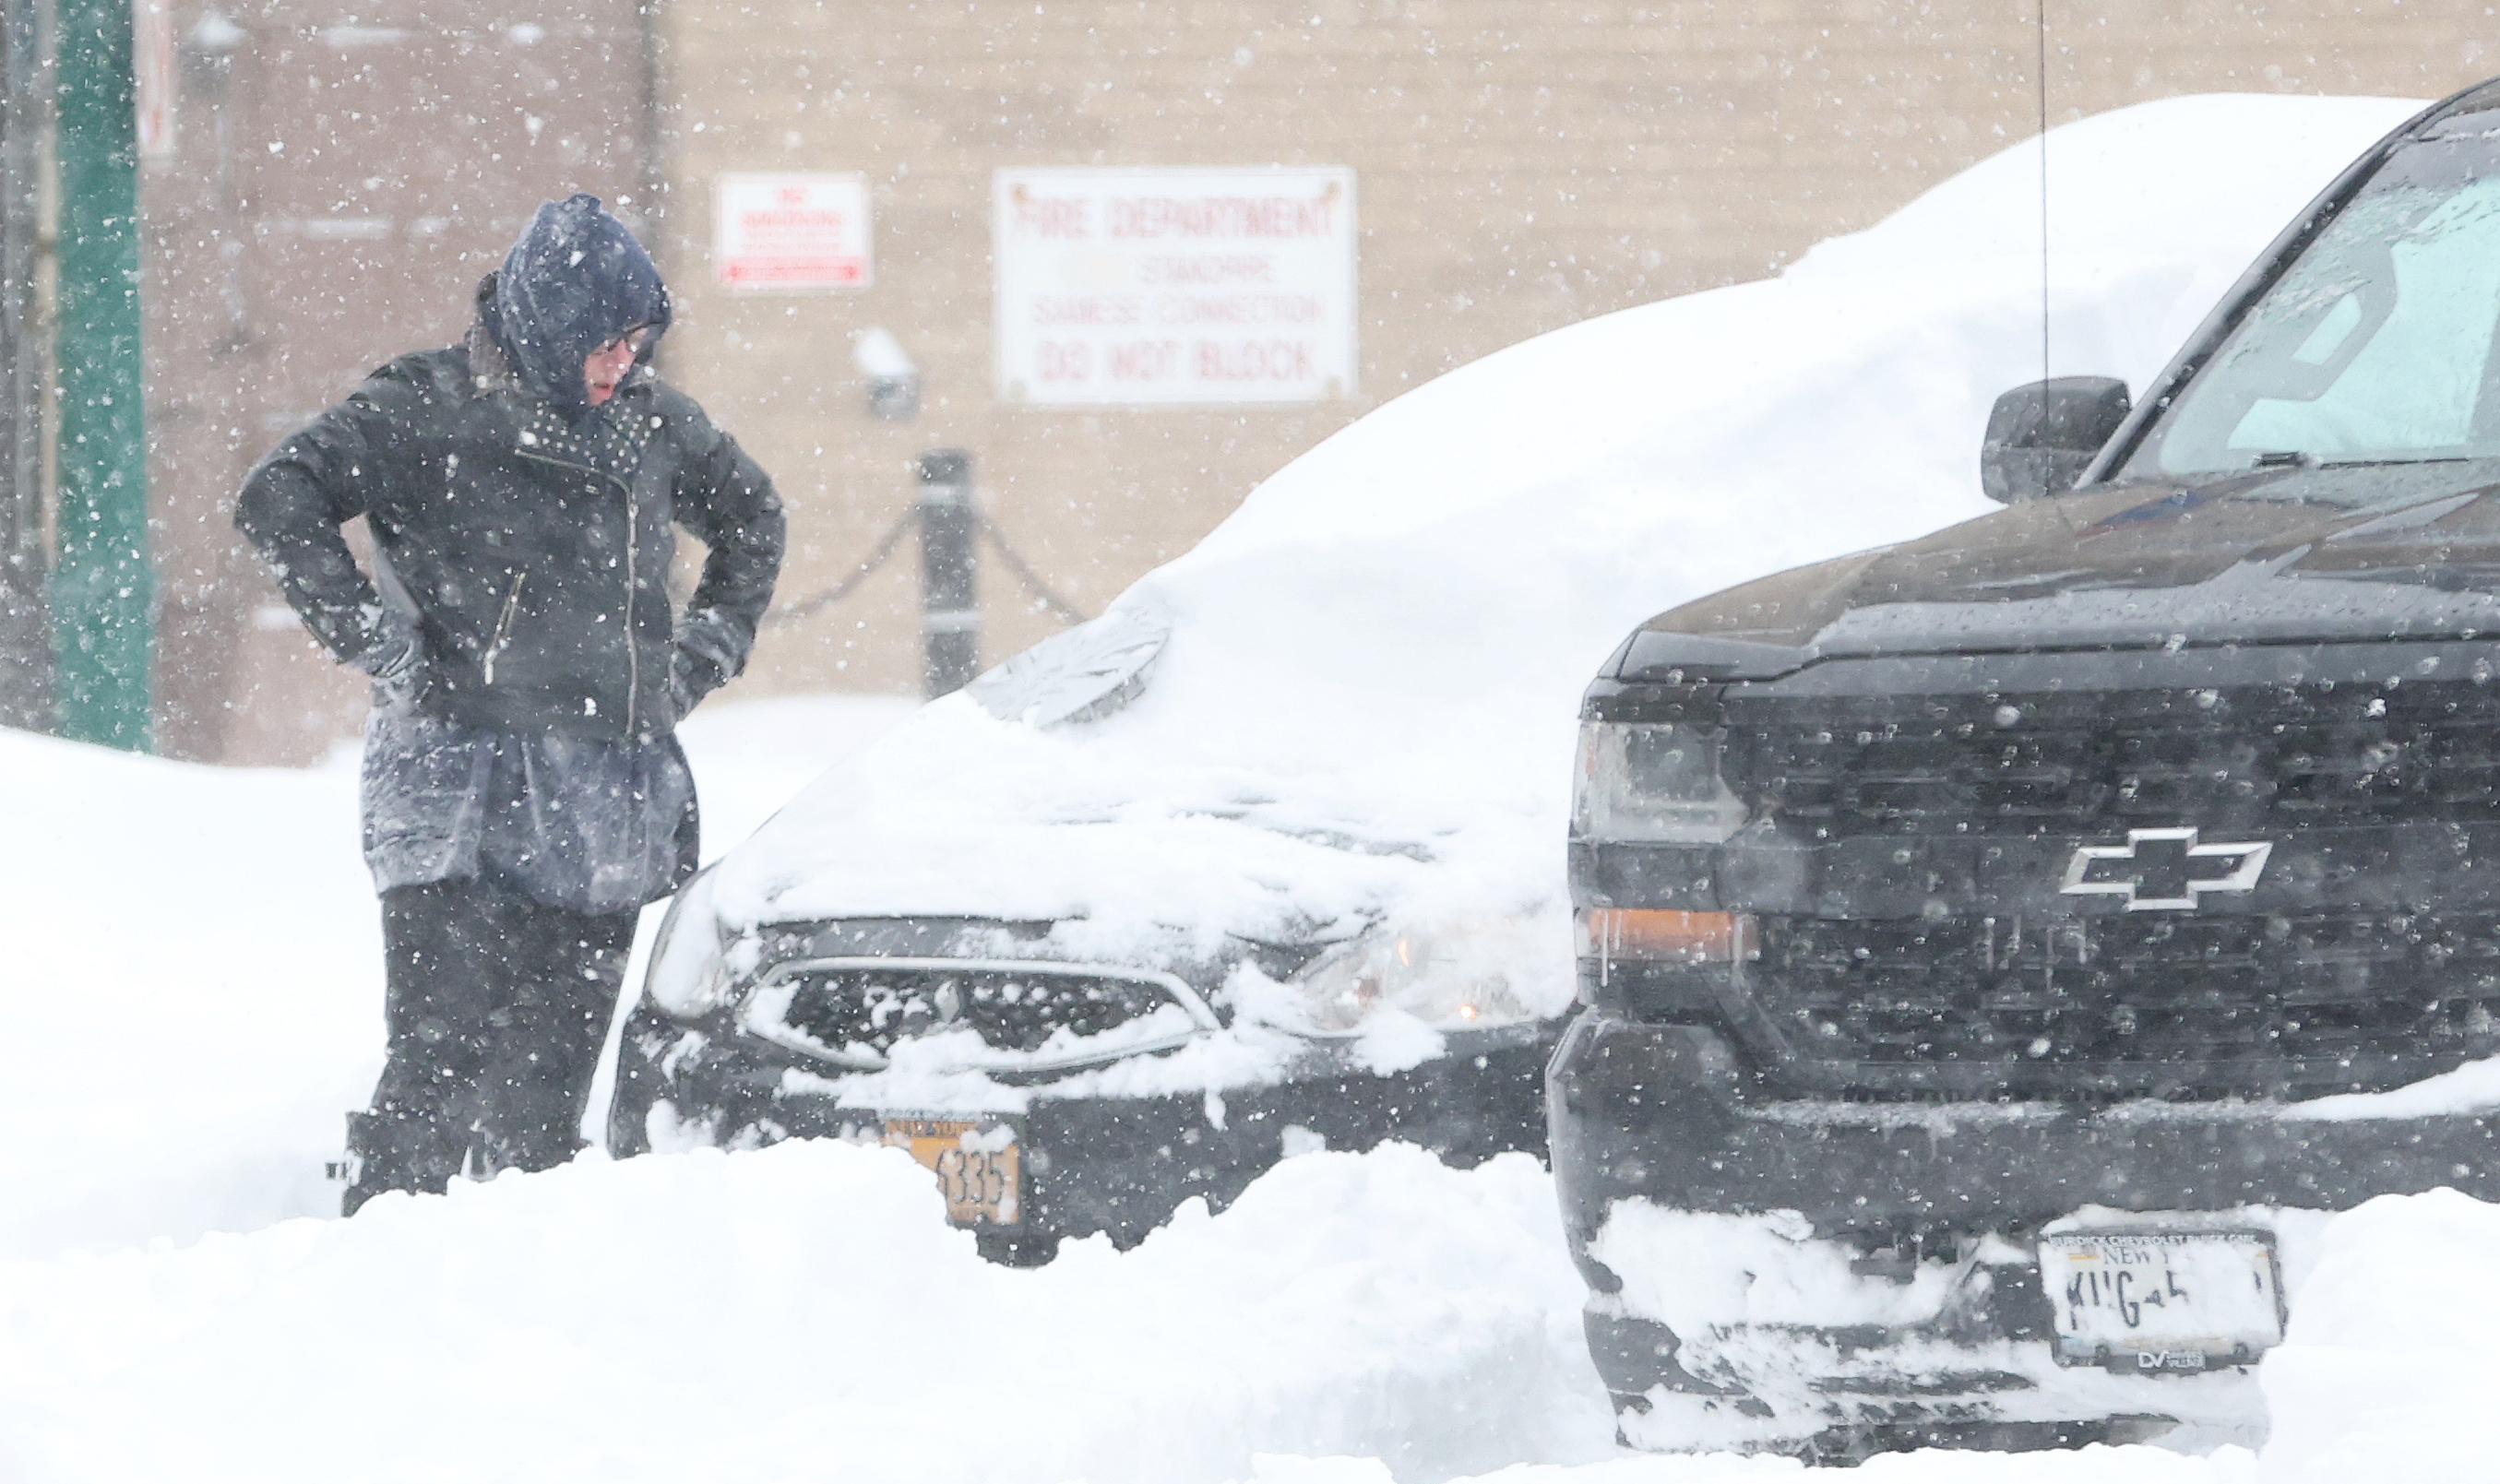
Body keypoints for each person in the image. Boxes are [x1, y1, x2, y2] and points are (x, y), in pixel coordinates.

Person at [234, 194, 785, 1213]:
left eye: (637, 342)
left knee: (550, 1092)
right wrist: (373, 641)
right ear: (545, 325)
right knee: (435, 1069)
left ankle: (522, 1304)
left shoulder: (654, 426)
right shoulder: (428, 407)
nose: (621, 365)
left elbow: (754, 521)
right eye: (602, 343)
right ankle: (385, 1268)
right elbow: (281, 495)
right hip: (457, 788)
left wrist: (698, 656)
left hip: (605, 794)